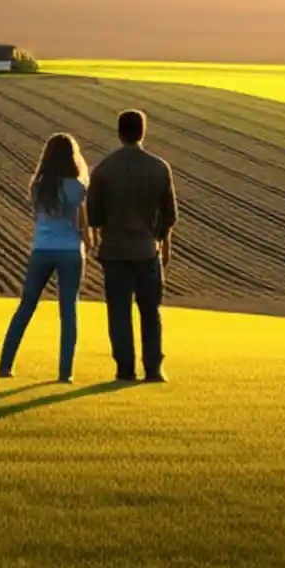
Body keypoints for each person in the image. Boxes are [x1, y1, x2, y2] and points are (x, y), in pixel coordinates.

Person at [87, 109, 178, 383]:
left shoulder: (104, 169)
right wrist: (160, 238)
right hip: (146, 250)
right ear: (143, 132)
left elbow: (95, 217)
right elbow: (170, 214)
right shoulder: (159, 167)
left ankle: (124, 368)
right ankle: (153, 368)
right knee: (150, 311)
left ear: (119, 133)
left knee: (119, 312)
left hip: (114, 251)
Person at [0, 133, 94, 384]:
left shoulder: (38, 185)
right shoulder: (77, 186)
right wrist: (90, 241)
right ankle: (65, 372)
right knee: (68, 311)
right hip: (70, 250)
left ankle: (5, 365)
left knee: (26, 307)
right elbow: (83, 222)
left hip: (41, 249)